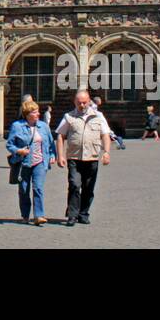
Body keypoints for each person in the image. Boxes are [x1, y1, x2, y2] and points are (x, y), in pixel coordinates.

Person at [55, 90, 111, 227]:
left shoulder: (98, 116)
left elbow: (105, 134)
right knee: (74, 185)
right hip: (74, 157)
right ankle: (72, 216)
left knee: (88, 188)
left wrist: (106, 152)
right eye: (79, 102)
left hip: (92, 157)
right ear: (74, 102)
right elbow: (60, 136)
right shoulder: (68, 117)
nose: (82, 105)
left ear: (89, 101)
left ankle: (83, 214)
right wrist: (60, 155)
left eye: (84, 102)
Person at [7, 98, 56, 225]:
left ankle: (39, 215)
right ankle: (25, 215)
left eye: (38, 111)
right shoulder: (17, 126)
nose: (38, 114)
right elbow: (9, 145)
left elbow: (50, 143)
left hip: (40, 161)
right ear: (27, 114)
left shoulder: (44, 126)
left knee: (38, 188)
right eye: (35, 112)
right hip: (23, 162)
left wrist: (52, 155)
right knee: (24, 190)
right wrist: (19, 151)